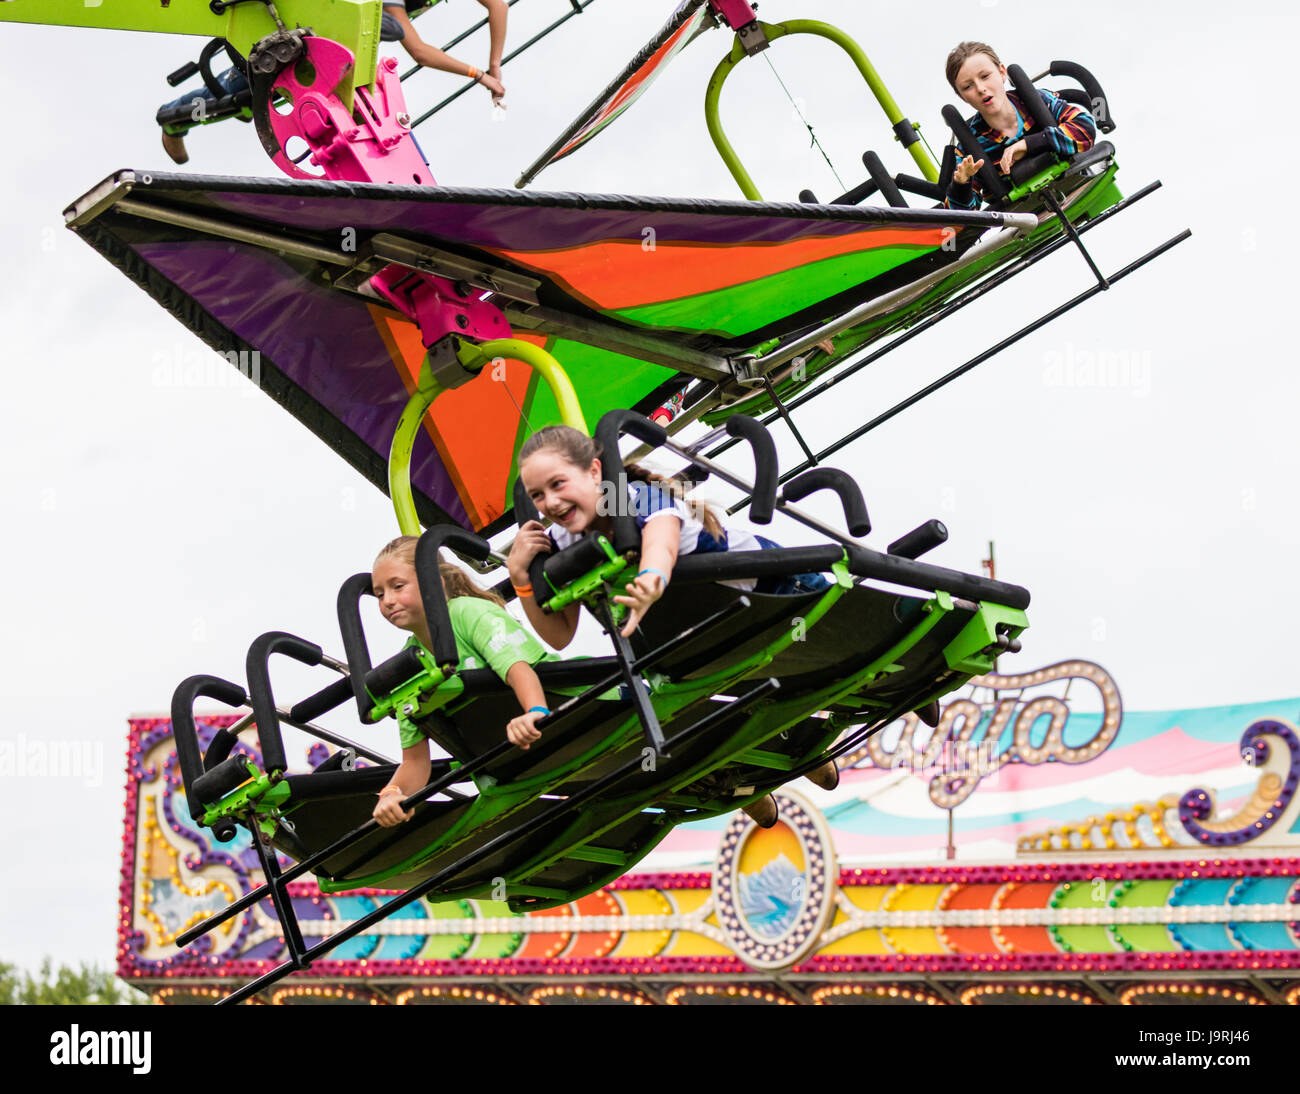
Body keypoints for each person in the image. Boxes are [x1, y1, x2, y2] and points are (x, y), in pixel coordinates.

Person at [506, 425, 839, 827]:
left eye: (558, 484)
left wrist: (652, 581)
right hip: (703, 637)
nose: (551, 503)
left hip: (774, 590)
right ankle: (748, 772)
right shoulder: (562, 542)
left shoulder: (636, 495)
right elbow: (558, 633)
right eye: (537, 495)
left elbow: (661, 543)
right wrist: (521, 577)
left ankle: (843, 711)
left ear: (595, 472)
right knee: (687, 687)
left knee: (824, 640)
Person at [158, 1, 507, 164]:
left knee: (377, 125)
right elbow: (420, 52)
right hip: (300, 40)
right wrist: (479, 76)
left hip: (338, 59)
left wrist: (495, 67)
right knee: (236, 93)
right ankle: (171, 119)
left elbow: (498, 7)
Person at [371, 539, 553, 828]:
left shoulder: (467, 612)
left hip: (564, 707)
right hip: (505, 753)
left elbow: (517, 668)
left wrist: (536, 711)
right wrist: (393, 795)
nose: (387, 601)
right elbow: (416, 762)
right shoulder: (408, 663)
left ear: (436, 582)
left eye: (397, 586)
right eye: (379, 594)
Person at [943, 41, 1095, 210]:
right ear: (962, 96)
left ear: (1002, 73)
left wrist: (1028, 145)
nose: (980, 89)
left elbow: (1085, 129)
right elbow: (963, 215)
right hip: (1026, 219)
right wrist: (961, 184)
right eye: (968, 86)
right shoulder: (967, 150)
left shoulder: (1039, 101)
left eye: (985, 76)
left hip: (1081, 190)